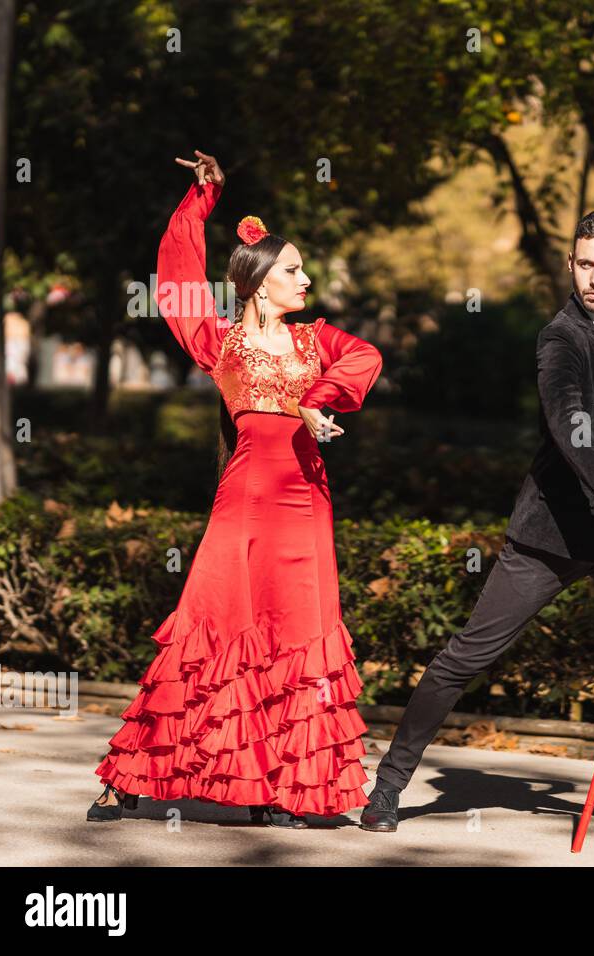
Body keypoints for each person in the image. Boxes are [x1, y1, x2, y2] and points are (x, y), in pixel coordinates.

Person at [361, 209, 594, 847]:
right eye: (585, 264)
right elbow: (570, 426)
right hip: (553, 534)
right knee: (467, 656)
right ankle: (388, 785)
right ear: (571, 264)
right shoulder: (562, 340)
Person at [88, 150, 383, 827]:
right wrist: (202, 201)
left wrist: (324, 397)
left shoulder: (317, 341)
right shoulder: (218, 342)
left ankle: (284, 788)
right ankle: (132, 779)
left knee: (300, 637)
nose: (306, 279)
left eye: (303, 268)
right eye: (292, 269)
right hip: (243, 503)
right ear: (255, 282)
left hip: (306, 505)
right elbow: (177, 282)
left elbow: (368, 356)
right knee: (210, 631)